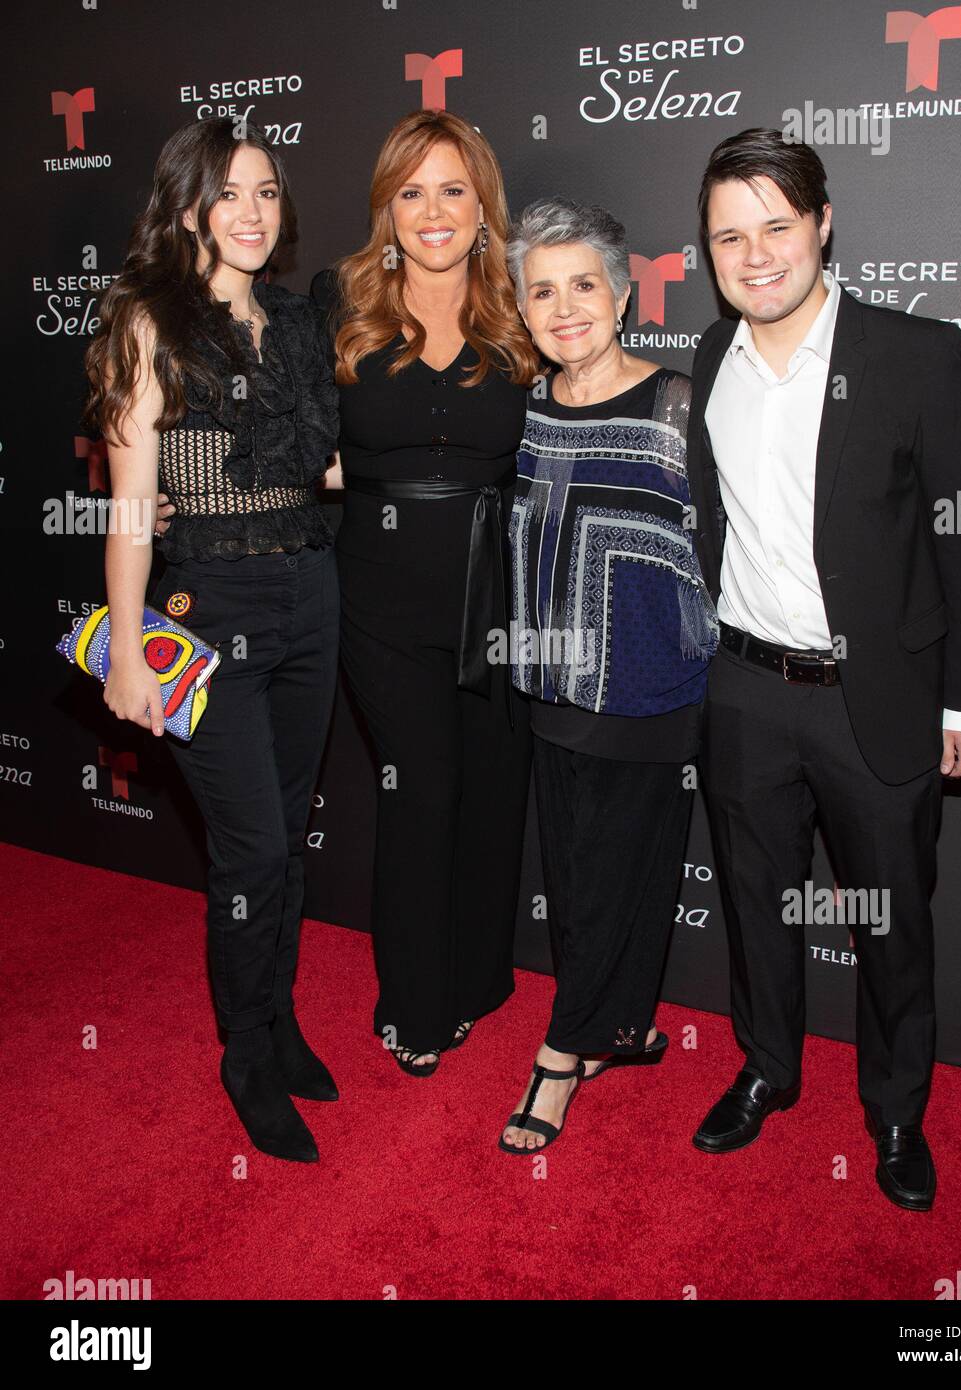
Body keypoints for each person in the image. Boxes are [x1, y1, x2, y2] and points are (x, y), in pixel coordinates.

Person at [686, 128, 961, 1209]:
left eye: (776, 224)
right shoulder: (707, 362)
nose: (755, 252)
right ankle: (767, 1066)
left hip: (873, 701)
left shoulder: (916, 354)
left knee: (887, 921)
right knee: (754, 903)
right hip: (741, 692)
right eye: (730, 234)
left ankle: (895, 1110)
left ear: (822, 224)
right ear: (709, 249)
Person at [88, 118, 341, 1164]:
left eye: (268, 192)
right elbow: (133, 507)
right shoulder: (149, 320)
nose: (252, 211)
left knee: (285, 832)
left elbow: (321, 471)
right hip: (207, 607)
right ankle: (244, 1049)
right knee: (254, 847)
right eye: (230, 192)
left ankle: (276, 1020)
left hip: (311, 595)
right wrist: (130, 648)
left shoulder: (294, 321)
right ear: (186, 203)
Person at [308, 111, 536, 1076]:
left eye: (452, 190)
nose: (432, 212)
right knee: (419, 789)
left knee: (491, 791)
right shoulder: (338, 299)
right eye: (411, 192)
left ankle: (477, 979)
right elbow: (295, 431)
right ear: (386, 208)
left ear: (482, 204)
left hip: (503, 593)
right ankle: (411, 1000)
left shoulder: (523, 307)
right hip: (381, 597)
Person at [497, 198, 719, 1154]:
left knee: (628, 870)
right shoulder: (523, 411)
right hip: (552, 686)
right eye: (541, 292)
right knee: (580, 870)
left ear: (623, 296)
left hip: (656, 687)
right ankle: (610, 1030)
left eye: (583, 285)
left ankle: (564, 1053)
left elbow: (739, 537)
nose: (564, 307)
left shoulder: (681, 404)